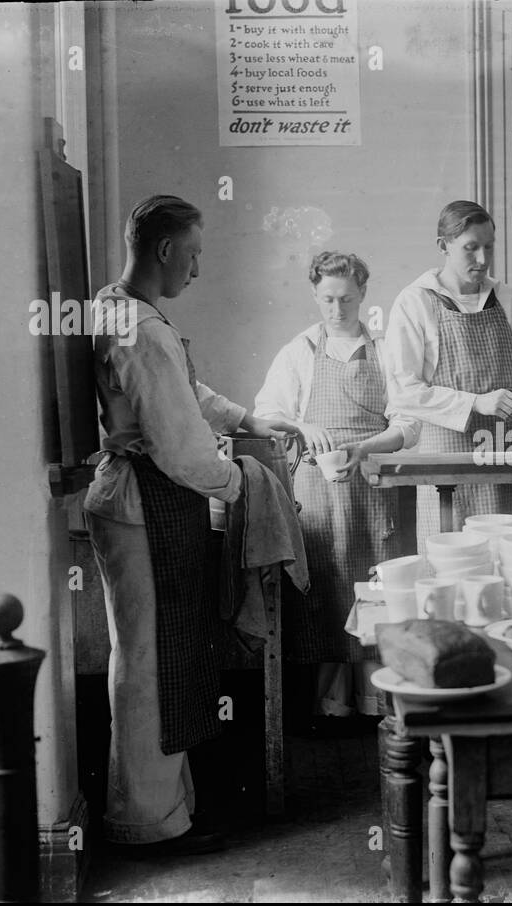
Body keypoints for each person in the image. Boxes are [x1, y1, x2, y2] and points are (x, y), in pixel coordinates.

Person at [84, 194, 304, 856]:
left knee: (157, 657)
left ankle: (165, 812)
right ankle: (146, 823)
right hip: (140, 504)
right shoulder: (143, 329)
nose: (199, 269)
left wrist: (246, 420)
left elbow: (184, 392)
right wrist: (242, 482)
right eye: (195, 254)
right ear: (164, 251)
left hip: (138, 502)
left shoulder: (113, 304)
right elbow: (181, 449)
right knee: (149, 663)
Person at [253, 250, 417, 718]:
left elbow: (408, 425)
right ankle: (329, 707)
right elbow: (264, 413)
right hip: (317, 488)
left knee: (375, 588)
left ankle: (374, 702)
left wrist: (366, 448)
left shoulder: (386, 350)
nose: (337, 309)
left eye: (346, 298)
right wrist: (303, 426)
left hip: (372, 484)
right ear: (315, 295)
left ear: (363, 294)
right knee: (324, 586)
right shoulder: (301, 350)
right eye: (327, 299)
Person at [385, 200, 512, 548]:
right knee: (455, 559)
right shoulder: (416, 302)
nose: (483, 260)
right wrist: (477, 402)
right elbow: (404, 392)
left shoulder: (505, 297)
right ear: (443, 246)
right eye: (471, 248)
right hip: (449, 460)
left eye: (489, 247)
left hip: (508, 451)